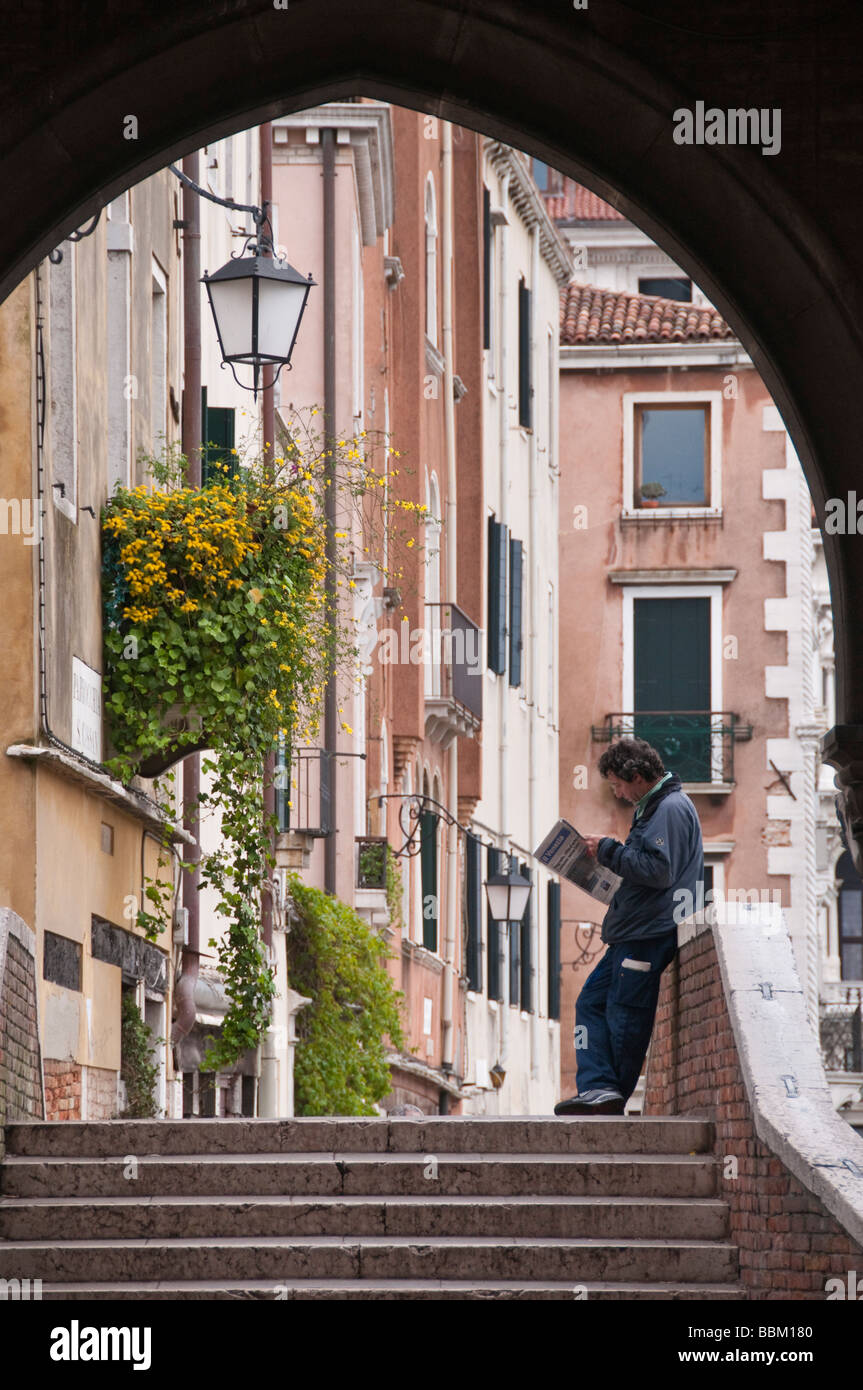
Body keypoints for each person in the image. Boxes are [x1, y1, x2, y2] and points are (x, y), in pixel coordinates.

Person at [554, 736, 703, 1116]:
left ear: (635, 776)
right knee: (591, 1001)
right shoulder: (660, 807)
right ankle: (598, 1087)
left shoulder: (668, 809)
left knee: (625, 1015)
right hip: (635, 933)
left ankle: (610, 1093)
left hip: (648, 935)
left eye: (617, 785)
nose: (617, 794)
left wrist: (607, 849)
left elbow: (657, 870)